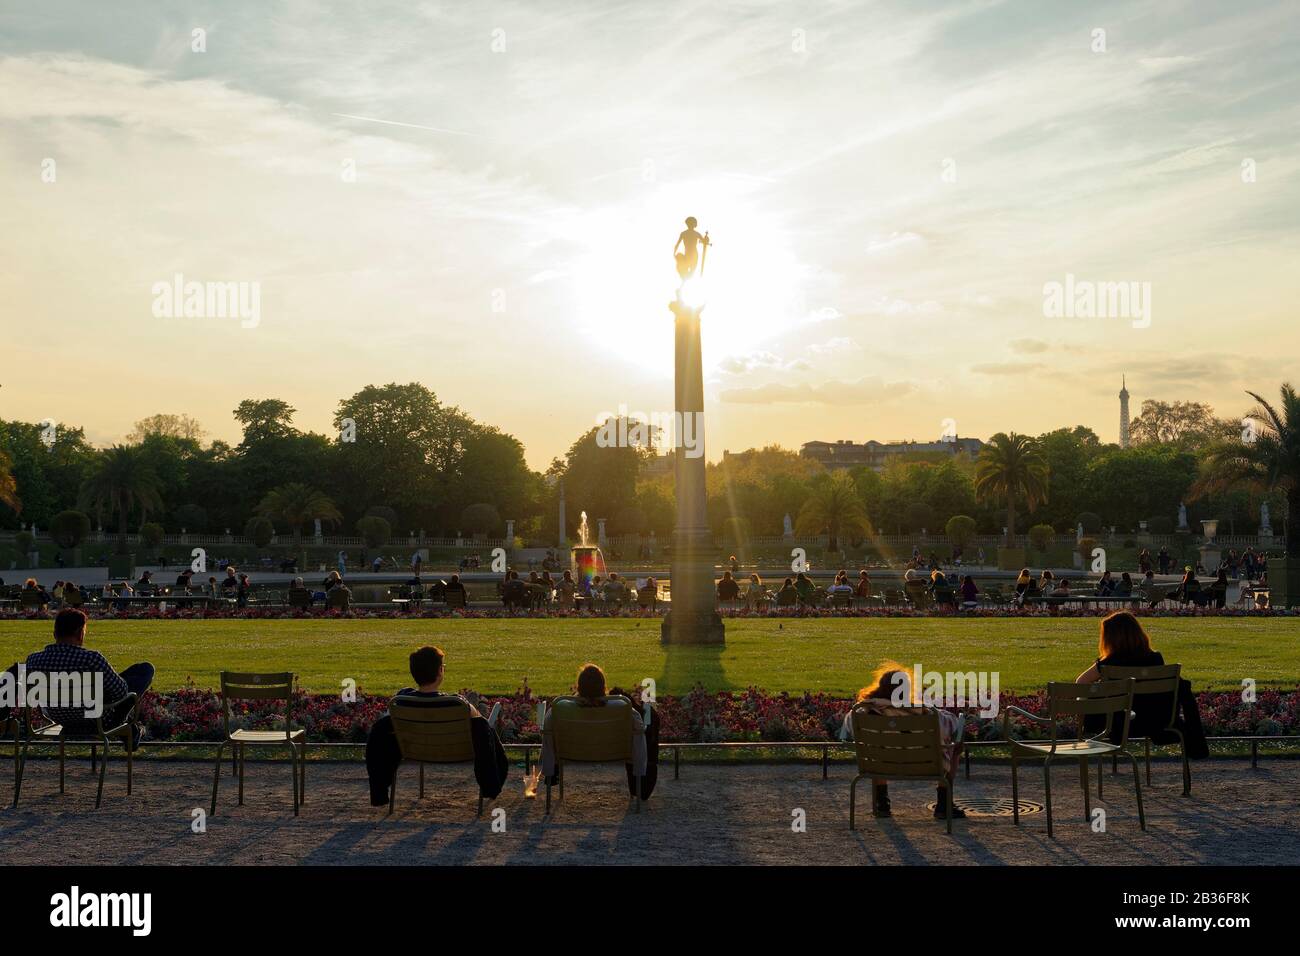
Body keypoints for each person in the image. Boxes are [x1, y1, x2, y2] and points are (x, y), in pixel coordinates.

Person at [364, 645, 509, 807]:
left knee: (383, 726)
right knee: (483, 725)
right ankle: (491, 785)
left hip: (415, 750)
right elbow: (480, 721)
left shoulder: (401, 701)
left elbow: (383, 726)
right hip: (455, 751)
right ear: (440, 671)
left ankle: (379, 793)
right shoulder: (456, 704)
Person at [840, 661, 964, 820]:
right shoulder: (926, 713)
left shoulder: (861, 712)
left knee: (878, 748)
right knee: (955, 746)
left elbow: (848, 729)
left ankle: (881, 802)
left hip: (879, 765)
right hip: (925, 765)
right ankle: (943, 804)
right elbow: (952, 726)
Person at [1075, 611, 1208, 758]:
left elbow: (1081, 683)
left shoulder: (1108, 664)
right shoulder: (1156, 659)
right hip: (1155, 723)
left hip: (1118, 725)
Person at [24, 608, 154, 748]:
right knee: (145, 670)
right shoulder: (91, 658)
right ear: (80, 633)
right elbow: (121, 692)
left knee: (100, 688)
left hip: (58, 716)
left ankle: (129, 728)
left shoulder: (33, 660)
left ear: (55, 634)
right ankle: (125, 726)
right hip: (96, 718)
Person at [540, 663, 648, 799]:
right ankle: (639, 789)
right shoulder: (622, 707)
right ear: (603, 686)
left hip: (571, 753)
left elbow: (547, 733)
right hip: (612, 753)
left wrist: (550, 768)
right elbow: (639, 733)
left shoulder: (560, 707)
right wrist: (639, 767)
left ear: (579, 686)